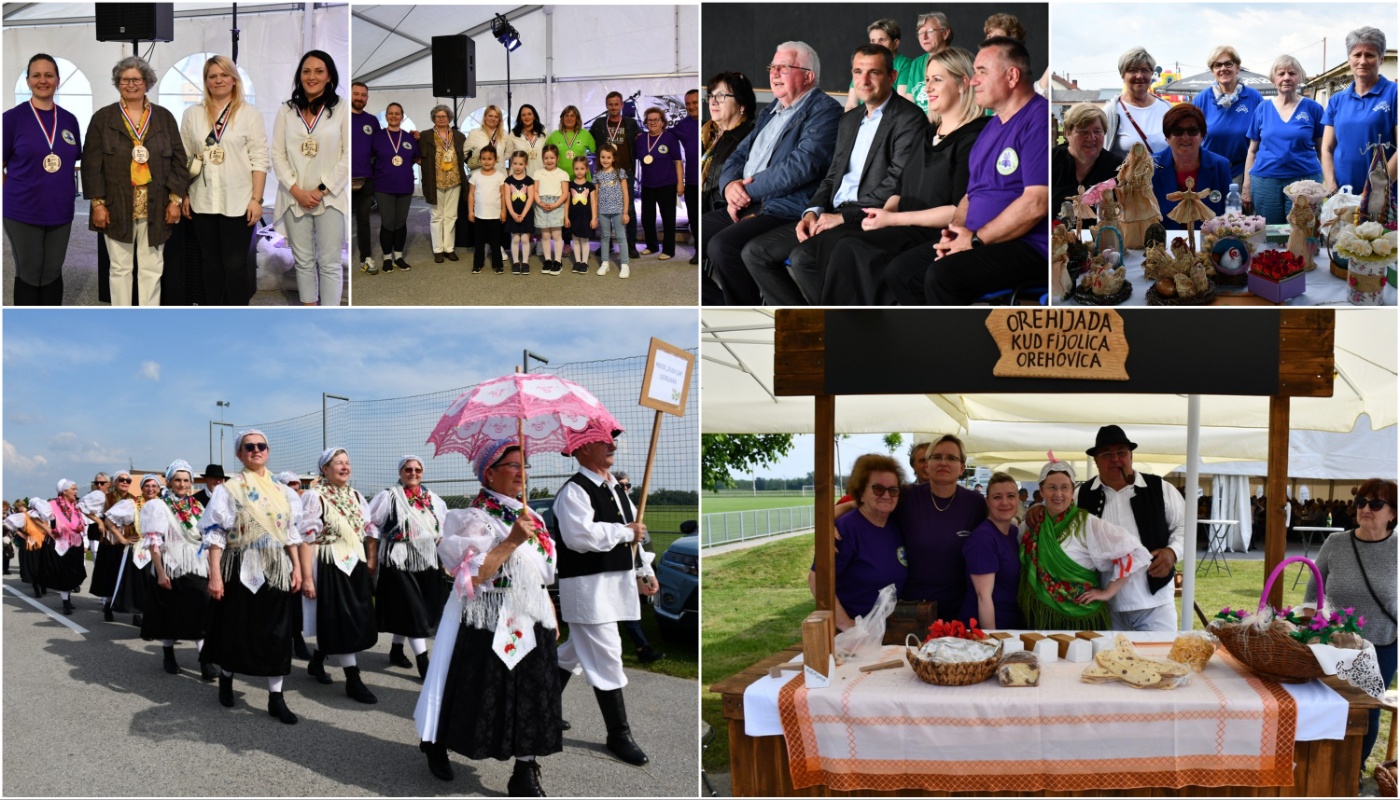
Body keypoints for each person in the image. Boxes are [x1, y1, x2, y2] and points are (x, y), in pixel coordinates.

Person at [413, 440, 562, 795]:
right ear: (489, 474)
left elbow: (539, 573)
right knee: (473, 688)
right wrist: (510, 541)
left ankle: (525, 769)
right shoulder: (473, 517)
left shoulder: (533, 517)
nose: (522, 472)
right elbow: (471, 577)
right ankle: (437, 742)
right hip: (485, 617)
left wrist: (550, 609)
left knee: (532, 691)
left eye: (525, 465)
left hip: (530, 612)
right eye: (513, 465)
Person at [744, 44, 928, 306]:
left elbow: (895, 184)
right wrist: (812, 211)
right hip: (830, 213)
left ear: (892, 77)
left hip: (864, 217)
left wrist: (841, 217)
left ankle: (838, 325)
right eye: (857, 72)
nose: (863, 81)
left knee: (804, 258)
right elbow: (832, 176)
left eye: (873, 73)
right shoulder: (850, 119)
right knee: (755, 253)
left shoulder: (909, 119)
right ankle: (807, 321)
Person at [886, 37, 1048, 306]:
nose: (973, 81)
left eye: (982, 72)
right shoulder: (991, 127)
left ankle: (958, 345)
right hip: (976, 238)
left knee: (942, 276)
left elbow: (1036, 203)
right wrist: (956, 232)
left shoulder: (1037, 119)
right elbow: (970, 195)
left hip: (1028, 246)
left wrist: (974, 240)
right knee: (900, 272)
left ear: (1012, 76)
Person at [819, 47, 986, 305]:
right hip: (904, 228)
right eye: (927, 79)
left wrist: (893, 220)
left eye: (937, 80)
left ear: (964, 84)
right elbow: (898, 188)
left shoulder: (975, 137)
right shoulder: (927, 133)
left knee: (857, 251)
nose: (928, 87)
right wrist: (880, 217)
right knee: (849, 246)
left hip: (935, 235)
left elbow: (957, 209)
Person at [702, 41, 842, 305]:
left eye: (784, 67)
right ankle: (724, 304)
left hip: (782, 207)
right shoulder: (770, 111)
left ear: (808, 76)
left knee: (722, 247)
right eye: (772, 67)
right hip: (747, 201)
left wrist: (745, 192)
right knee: (699, 233)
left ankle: (741, 310)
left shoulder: (826, 111)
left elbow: (801, 166)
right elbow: (738, 155)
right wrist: (730, 186)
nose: (774, 73)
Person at [552, 433, 657, 766]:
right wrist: (625, 532)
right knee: (608, 654)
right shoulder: (574, 491)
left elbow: (635, 538)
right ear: (583, 448)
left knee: (573, 654)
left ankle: (540, 709)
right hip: (588, 589)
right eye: (604, 441)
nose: (613, 445)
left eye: (614, 440)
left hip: (615, 584)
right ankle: (618, 734)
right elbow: (578, 536)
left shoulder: (616, 489)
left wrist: (643, 570)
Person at [199, 429, 305, 724]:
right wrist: (216, 576)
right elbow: (216, 535)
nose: (256, 450)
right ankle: (227, 680)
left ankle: (276, 697)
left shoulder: (284, 492)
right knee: (237, 627)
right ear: (239, 454)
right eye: (249, 447)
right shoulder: (229, 489)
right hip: (240, 567)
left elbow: (291, 534)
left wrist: (296, 566)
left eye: (261, 446)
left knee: (277, 632)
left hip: (275, 568)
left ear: (268, 451)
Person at [1301, 478, 1396, 788]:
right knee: (1327, 705)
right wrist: (1309, 618)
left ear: (1393, 513)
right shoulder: (1336, 543)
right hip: (1335, 645)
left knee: (1367, 712)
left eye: (1376, 504)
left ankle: (1352, 769)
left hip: (1381, 643)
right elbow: (1315, 583)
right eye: (1361, 503)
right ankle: (1324, 767)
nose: (1366, 509)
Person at [837, 435, 984, 621]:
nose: (943, 462)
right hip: (910, 610)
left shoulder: (975, 502)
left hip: (959, 607)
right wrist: (832, 518)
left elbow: (1000, 518)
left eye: (951, 458)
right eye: (936, 457)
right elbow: (869, 505)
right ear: (927, 465)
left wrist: (1032, 511)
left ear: (962, 467)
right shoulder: (906, 496)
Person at [81, 56, 188, 307]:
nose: (131, 84)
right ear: (118, 83)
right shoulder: (103, 119)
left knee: (152, 268)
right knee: (119, 268)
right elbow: (91, 164)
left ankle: (147, 320)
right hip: (116, 206)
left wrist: (175, 200)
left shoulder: (164, 118)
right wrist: (98, 204)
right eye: (125, 79)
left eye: (137, 79)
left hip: (157, 205)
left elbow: (179, 162)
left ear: (147, 82)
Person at [1073, 425, 1184, 631]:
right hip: (1105, 605)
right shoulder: (1082, 494)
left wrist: (1173, 552)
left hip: (1155, 603)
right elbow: (1056, 516)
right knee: (1109, 661)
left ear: (1131, 455)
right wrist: (1037, 510)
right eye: (1106, 454)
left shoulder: (1160, 489)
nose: (1115, 459)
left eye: (1121, 452)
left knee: (1160, 659)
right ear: (1096, 461)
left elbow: (1184, 527)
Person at [1019, 460, 1150, 631]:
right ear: (1042, 491)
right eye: (1052, 487)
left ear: (1072, 491)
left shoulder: (1088, 523)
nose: (1058, 494)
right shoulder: (1032, 524)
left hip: (1082, 620)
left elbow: (1134, 552)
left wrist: (1107, 593)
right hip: (1042, 616)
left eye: (1064, 487)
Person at [180, 55, 268, 306]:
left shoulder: (249, 115)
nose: (218, 80)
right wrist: (184, 195)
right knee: (209, 262)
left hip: (238, 201)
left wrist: (257, 199)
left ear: (234, 79)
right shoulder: (192, 114)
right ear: (206, 82)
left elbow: (259, 159)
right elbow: (185, 158)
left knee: (235, 263)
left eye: (224, 75)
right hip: (202, 199)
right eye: (212, 76)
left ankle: (238, 316)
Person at [299, 447, 378, 704]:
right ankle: (353, 679)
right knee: (342, 619)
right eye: (338, 463)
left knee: (343, 618)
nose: (345, 467)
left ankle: (317, 661)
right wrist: (307, 578)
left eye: (347, 462)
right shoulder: (314, 497)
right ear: (325, 469)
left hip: (353, 562)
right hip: (330, 564)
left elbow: (365, 529)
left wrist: (369, 559)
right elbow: (306, 539)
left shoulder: (355, 496)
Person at [4, 53, 83, 305]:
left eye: (48, 75)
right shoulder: (11, 119)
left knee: (52, 272)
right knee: (30, 271)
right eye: (36, 75)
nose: (43, 80)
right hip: (23, 211)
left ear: (58, 80)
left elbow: (71, 160)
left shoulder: (69, 120)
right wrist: (12, 193)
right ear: (27, 81)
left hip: (60, 210)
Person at [272, 50, 348, 306]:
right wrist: (296, 190)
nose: (311, 76)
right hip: (294, 196)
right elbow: (277, 153)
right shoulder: (287, 110)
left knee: (329, 262)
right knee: (303, 260)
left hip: (330, 198)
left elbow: (348, 155)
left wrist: (321, 190)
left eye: (318, 71)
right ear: (299, 76)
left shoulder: (341, 108)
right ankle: (308, 309)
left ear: (329, 77)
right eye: (306, 71)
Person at [367, 455, 447, 679]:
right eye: (408, 469)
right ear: (400, 472)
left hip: (426, 560)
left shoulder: (432, 498)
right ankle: (423, 661)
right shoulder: (388, 496)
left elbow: (442, 527)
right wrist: (372, 558)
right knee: (413, 610)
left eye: (417, 469)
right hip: (398, 559)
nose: (413, 473)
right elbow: (370, 525)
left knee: (413, 609)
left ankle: (396, 649)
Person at [810, 454, 907, 631]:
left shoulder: (894, 525)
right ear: (861, 492)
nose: (886, 495)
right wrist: (845, 624)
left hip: (883, 632)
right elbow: (817, 579)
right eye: (878, 489)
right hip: (852, 636)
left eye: (893, 490)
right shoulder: (846, 529)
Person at [139, 460, 214, 678]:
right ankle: (168, 654)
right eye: (177, 480)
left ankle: (205, 660)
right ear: (170, 482)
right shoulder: (158, 506)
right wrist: (160, 573)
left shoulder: (197, 506)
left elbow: (205, 536)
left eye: (186, 480)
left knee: (202, 609)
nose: (182, 484)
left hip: (197, 565)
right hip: (171, 566)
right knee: (169, 614)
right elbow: (154, 541)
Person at [1243, 55, 1324, 225]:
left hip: (1305, 182)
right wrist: (1246, 186)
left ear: (1300, 77)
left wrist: (1327, 183)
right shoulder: (1262, 109)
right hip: (1266, 182)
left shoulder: (1313, 108)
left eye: (1292, 73)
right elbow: (1252, 151)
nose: (1286, 77)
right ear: (1273, 80)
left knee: (1303, 231)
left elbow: (1323, 150)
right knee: (1270, 233)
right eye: (1281, 74)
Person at [1322, 27, 1397, 196]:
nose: (1362, 61)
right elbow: (1326, 148)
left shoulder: (1394, 93)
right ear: (1349, 59)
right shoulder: (1336, 100)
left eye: (1370, 55)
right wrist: (1333, 187)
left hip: (1383, 196)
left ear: (1381, 59)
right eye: (1357, 55)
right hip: (1343, 194)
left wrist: (1374, 190)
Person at [1193, 46, 1264, 185]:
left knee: (1238, 207)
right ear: (1213, 71)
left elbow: (1265, 135)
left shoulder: (1253, 97)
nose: (1223, 68)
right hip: (1209, 171)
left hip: (1243, 172)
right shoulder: (1202, 99)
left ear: (1237, 68)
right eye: (1217, 65)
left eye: (1228, 63)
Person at [1152, 104, 1231, 228]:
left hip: (1208, 241)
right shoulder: (1151, 167)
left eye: (1192, 131)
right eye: (1177, 131)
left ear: (1202, 135)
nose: (1185, 137)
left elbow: (1229, 215)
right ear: (1167, 136)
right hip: (1163, 242)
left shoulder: (1221, 166)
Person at [961, 472, 1023, 629]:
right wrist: (993, 641)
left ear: (1018, 500)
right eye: (997, 497)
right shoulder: (982, 539)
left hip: (1011, 625)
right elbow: (984, 597)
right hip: (988, 629)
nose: (1005, 502)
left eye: (1010, 496)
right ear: (987, 501)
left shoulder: (1014, 533)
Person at [589, 92, 642, 260]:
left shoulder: (631, 123)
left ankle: (631, 244)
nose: (613, 107)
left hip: (626, 171)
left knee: (629, 208)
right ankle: (607, 244)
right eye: (610, 104)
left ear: (621, 105)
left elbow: (640, 140)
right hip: (605, 172)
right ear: (606, 105)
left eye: (616, 104)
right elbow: (590, 143)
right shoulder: (598, 124)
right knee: (604, 207)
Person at [1051, 103, 1123, 223]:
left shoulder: (1117, 167)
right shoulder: (1050, 161)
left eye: (1097, 131)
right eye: (1083, 132)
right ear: (1068, 133)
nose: (1091, 137)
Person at [370, 102, 417, 273]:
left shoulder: (410, 138)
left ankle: (398, 256)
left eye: (397, 113)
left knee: (401, 222)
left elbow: (418, 158)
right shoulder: (377, 137)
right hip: (383, 186)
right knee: (388, 222)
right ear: (386, 116)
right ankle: (387, 257)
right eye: (391, 113)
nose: (394, 116)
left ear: (402, 116)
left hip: (405, 186)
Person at [701, 72, 756, 215]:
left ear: (742, 105)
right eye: (711, 96)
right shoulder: (705, 133)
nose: (713, 101)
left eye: (720, 96)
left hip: (723, 214)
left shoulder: (751, 138)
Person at [99, 473, 150, 625]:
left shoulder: (158, 503)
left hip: (149, 548)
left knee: (145, 582)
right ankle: (110, 605)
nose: (125, 482)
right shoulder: (130, 502)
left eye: (128, 480)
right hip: (118, 544)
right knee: (114, 577)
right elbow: (107, 519)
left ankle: (140, 613)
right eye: (122, 480)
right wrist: (122, 539)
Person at [634, 107, 683, 262]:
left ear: (663, 122)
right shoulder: (641, 139)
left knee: (668, 217)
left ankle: (669, 249)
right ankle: (652, 245)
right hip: (648, 185)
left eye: (656, 120)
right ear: (646, 122)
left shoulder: (670, 138)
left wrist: (680, 184)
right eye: (650, 120)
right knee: (647, 218)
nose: (653, 122)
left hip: (667, 184)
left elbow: (678, 162)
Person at [1104, 48, 1172, 159]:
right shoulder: (1111, 112)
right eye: (1133, 70)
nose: (1139, 76)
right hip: (1124, 176)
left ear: (1151, 74)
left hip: (1162, 176)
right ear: (1123, 75)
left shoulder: (1166, 108)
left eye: (1145, 70)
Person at [421, 104, 468, 264]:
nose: (441, 118)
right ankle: (438, 249)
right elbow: (417, 155)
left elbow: (465, 155)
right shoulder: (425, 136)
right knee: (436, 217)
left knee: (451, 216)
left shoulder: (459, 136)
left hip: (455, 180)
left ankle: (449, 248)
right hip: (435, 181)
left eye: (444, 116)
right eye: (438, 116)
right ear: (433, 118)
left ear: (449, 118)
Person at [42, 479, 89, 615]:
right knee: (64, 574)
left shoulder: (76, 506)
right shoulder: (51, 505)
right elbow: (35, 516)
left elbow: (83, 523)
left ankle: (67, 597)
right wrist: (50, 531)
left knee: (74, 572)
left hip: (76, 543)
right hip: (61, 544)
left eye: (76, 489)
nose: (76, 491)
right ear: (64, 491)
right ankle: (65, 602)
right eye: (73, 489)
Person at [845, 19, 913, 112]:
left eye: (882, 40)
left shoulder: (905, 64)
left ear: (895, 43)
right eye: (873, 40)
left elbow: (901, 104)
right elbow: (851, 104)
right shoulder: (863, 64)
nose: (876, 45)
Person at [350, 81, 380, 274]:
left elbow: (381, 147)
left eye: (363, 95)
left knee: (363, 220)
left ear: (367, 98)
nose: (359, 98)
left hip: (366, 179)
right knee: (338, 221)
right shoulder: (339, 117)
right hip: (339, 180)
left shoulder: (372, 121)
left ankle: (365, 257)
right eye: (356, 94)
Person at [900, 12, 953, 115]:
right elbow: (910, 102)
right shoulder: (916, 63)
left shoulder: (957, 61)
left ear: (945, 33)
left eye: (930, 31)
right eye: (920, 32)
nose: (924, 37)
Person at [593, 143, 632, 279]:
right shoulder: (597, 174)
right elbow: (596, 195)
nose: (605, 160)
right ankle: (605, 263)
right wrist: (595, 214)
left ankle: (625, 264)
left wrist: (626, 212)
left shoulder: (619, 172)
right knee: (604, 236)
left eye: (608, 157)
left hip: (618, 209)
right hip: (603, 210)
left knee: (621, 236)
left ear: (613, 158)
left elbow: (626, 193)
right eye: (603, 157)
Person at [468, 144, 507, 275]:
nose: (486, 161)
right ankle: (478, 264)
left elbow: (503, 196)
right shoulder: (475, 176)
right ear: (480, 160)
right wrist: (470, 211)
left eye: (490, 159)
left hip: (495, 215)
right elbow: (471, 195)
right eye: (483, 158)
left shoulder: (500, 176)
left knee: (496, 242)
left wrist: (503, 211)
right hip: (479, 215)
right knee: (479, 242)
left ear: (496, 159)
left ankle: (498, 264)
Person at [532, 144, 570, 275]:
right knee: (545, 235)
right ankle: (548, 260)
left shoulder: (562, 174)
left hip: (557, 205)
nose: (549, 160)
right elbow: (535, 191)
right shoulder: (537, 173)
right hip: (541, 205)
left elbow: (565, 193)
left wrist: (555, 205)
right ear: (542, 159)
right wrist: (540, 202)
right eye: (546, 158)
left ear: (557, 158)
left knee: (556, 235)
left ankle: (558, 261)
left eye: (552, 158)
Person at [673, 90, 701, 263]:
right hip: (691, 181)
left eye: (695, 102)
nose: (691, 106)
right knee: (695, 219)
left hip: (712, 182)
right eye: (688, 103)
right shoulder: (682, 125)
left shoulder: (714, 120)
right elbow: (663, 135)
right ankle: (699, 251)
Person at [503, 150, 536, 275]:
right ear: (511, 163)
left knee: (525, 239)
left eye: (520, 164)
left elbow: (530, 198)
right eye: (515, 163)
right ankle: (516, 262)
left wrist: (523, 214)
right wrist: (512, 213)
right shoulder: (508, 181)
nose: (517, 166)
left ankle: (525, 262)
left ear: (525, 164)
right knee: (515, 238)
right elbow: (507, 198)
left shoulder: (529, 181)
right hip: (513, 214)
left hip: (526, 214)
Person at [566, 155, 596, 274]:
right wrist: (566, 217)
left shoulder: (590, 186)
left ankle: (584, 262)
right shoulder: (570, 185)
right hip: (574, 217)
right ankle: (577, 262)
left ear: (586, 169)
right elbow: (567, 202)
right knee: (575, 240)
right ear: (573, 169)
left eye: (582, 169)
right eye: (577, 169)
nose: (579, 171)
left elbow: (593, 203)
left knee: (584, 240)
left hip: (586, 217)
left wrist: (594, 218)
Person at [510, 104, 549, 182]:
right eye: (523, 115)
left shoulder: (543, 132)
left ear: (534, 116)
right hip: (520, 176)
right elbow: (508, 153)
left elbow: (548, 152)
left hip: (541, 174)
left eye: (529, 114)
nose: (526, 117)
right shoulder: (514, 134)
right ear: (520, 118)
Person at [464, 104, 508, 172]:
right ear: (485, 117)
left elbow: (509, 153)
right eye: (490, 116)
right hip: (479, 176)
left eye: (496, 117)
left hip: (499, 176)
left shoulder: (504, 134)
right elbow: (463, 154)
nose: (493, 119)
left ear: (499, 120)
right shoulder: (474, 133)